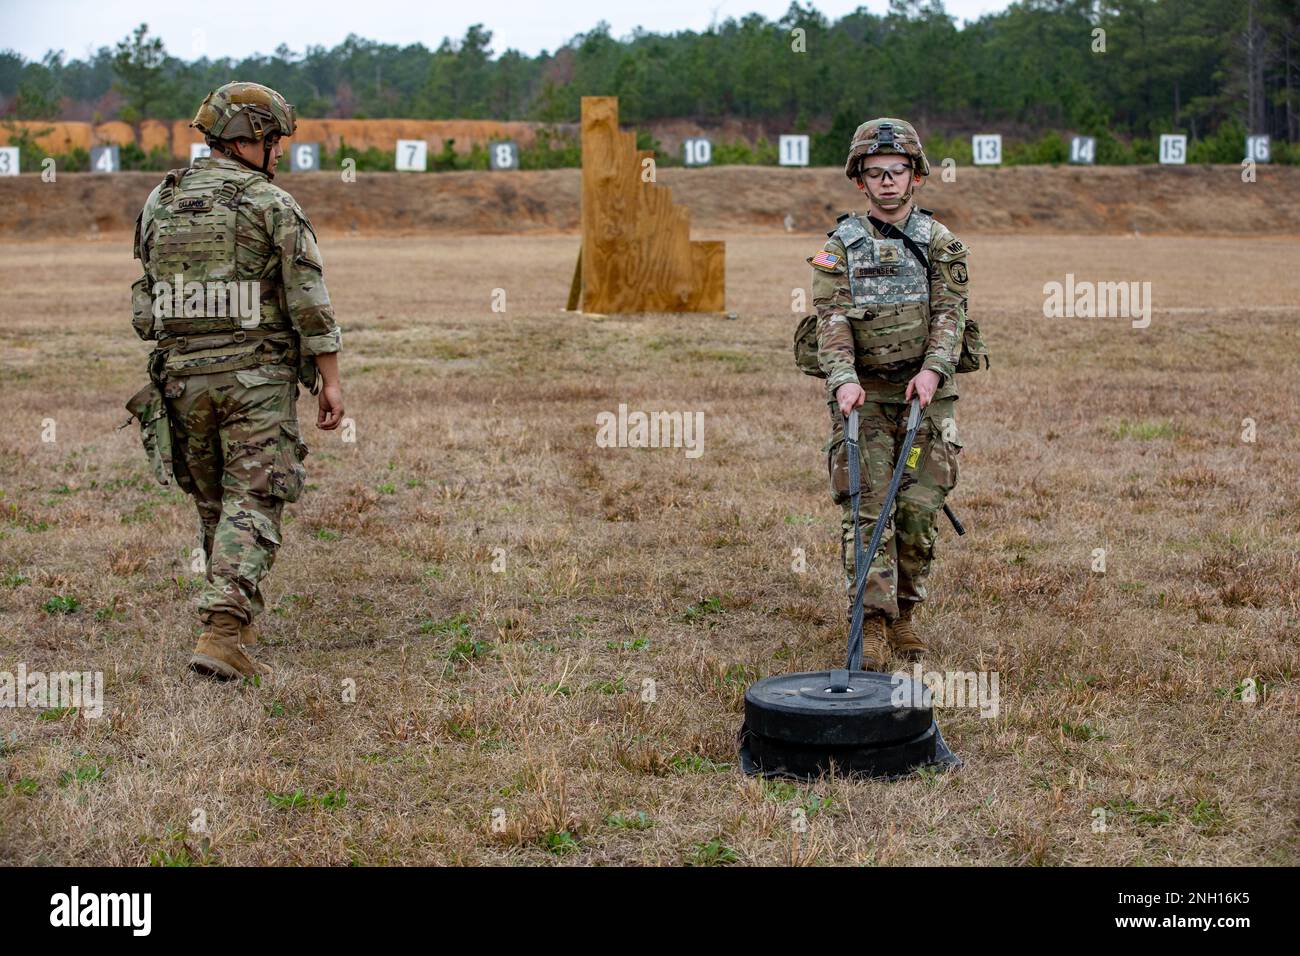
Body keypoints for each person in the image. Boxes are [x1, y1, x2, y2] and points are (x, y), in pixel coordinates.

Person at [127, 81, 344, 680]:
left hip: (181, 379)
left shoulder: (160, 202)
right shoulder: (270, 203)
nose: (279, 153)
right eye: (274, 141)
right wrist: (330, 377)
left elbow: (146, 301)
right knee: (253, 498)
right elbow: (309, 298)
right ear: (249, 139)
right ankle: (223, 631)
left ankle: (230, 622)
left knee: (215, 502)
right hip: (254, 379)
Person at [808, 117, 987, 670]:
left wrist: (933, 372)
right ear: (860, 180)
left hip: (926, 398)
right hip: (865, 398)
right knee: (865, 509)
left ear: (916, 177)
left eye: (898, 171)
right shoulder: (841, 245)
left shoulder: (942, 244)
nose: (887, 181)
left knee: (914, 509)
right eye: (876, 173)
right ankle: (872, 617)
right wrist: (843, 380)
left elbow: (949, 314)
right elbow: (830, 318)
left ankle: (904, 611)